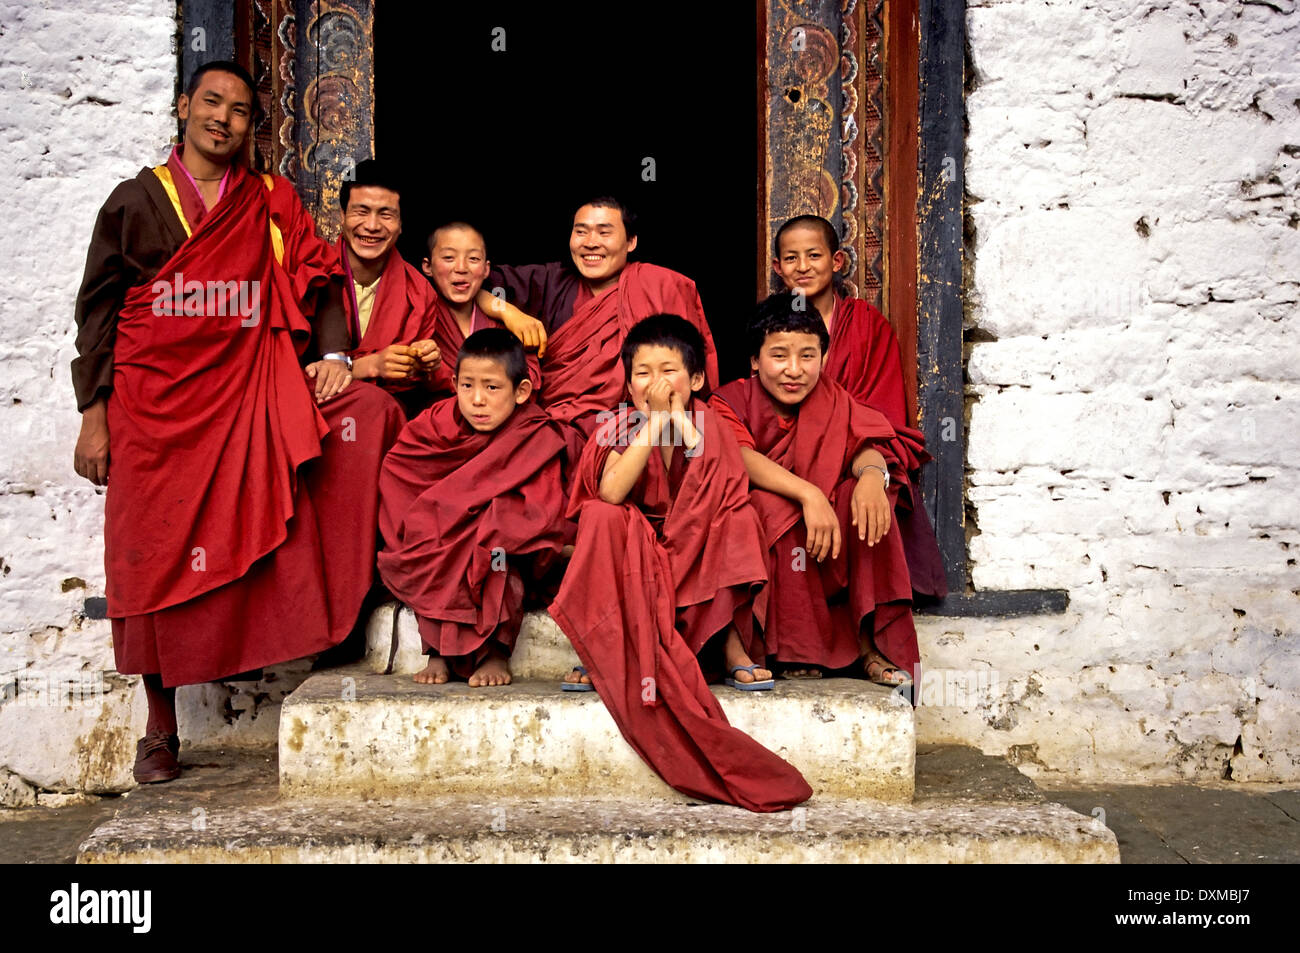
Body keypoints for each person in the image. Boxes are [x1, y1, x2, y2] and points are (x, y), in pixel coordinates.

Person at [70, 61, 404, 784]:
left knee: (368, 411)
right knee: (151, 549)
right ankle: (160, 727)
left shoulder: (270, 199)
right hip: (156, 400)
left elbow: (318, 277)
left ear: (255, 126)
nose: (224, 118)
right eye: (212, 103)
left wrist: (339, 352)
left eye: (242, 110)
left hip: (250, 386)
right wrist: (93, 416)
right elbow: (98, 312)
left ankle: (331, 623)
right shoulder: (134, 202)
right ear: (184, 107)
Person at [550, 315, 811, 812]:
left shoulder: (709, 426)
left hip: (693, 557)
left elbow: (722, 489)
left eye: (667, 371)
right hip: (635, 554)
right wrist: (653, 425)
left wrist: (680, 423)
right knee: (603, 520)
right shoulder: (616, 424)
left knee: (740, 517)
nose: (655, 383)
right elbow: (609, 491)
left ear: (695, 380)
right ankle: (605, 647)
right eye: (642, 373)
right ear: (628, 385)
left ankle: (730, 645)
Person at [710, 296, 920, 686]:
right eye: (779, 356)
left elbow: (863, 446)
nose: (794, 370)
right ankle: (788, 647)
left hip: (830, 547)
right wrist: (809, 494)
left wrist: (873, 477)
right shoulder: (731, 399)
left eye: (808, 356)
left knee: (870, 501)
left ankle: (867, 642)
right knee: (763, 505)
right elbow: (738, 457)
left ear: (824, 359)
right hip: (777, 527)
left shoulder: (833, 398)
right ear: (754, 361)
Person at [377, 329, 566, 686]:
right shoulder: (434, 427)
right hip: (439, 532)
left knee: (493, 549)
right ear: (453, 383)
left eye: (492, 388)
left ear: (521, 391)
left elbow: (541, 507)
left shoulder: (533, 433)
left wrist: (493, 519)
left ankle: (495, 652)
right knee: (435, 546)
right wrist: (438, 518)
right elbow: (401, 474)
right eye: (467, 386)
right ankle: (436, 651)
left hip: (499, 543)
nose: (477, 400)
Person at [772, 215, 948, 598]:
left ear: (837, 262)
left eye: (814, 255)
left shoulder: (868, 326)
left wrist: (867, 468)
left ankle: (870, 636)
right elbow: (764, 414)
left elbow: (884, 418)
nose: (803, 267)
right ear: (777, 268)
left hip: (855, 454)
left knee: (867, 496)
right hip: (790, 462)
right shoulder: (769, 328)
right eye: (791, 258)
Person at [486, 197, 719, 464]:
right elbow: (471, 282)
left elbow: (691, 371)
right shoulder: (551, 281)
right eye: (581, 231)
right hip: (561, 429)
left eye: (604, 232)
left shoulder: (661, 285)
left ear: (631, 242)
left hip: (642, 427)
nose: (590, 242)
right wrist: (508, 312)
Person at [332, 159, 442, 418]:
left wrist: (425, 363)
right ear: (342, 216)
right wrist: (366, 367)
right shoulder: (313, 275)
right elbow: (288, 368)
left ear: (401, 224)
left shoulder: (419, 292)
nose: (372, 226)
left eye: (386, 214)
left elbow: (418, 385)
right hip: (322, 411)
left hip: (387, 416)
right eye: (361, 211)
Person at [421, 221, 540, 398]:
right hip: (443, 417)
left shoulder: (505, 321)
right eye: (448, 258)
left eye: (473, 259)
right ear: (427, 267)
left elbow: (531, 376)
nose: (461, 268)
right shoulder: (419, 314)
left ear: (486, 269)